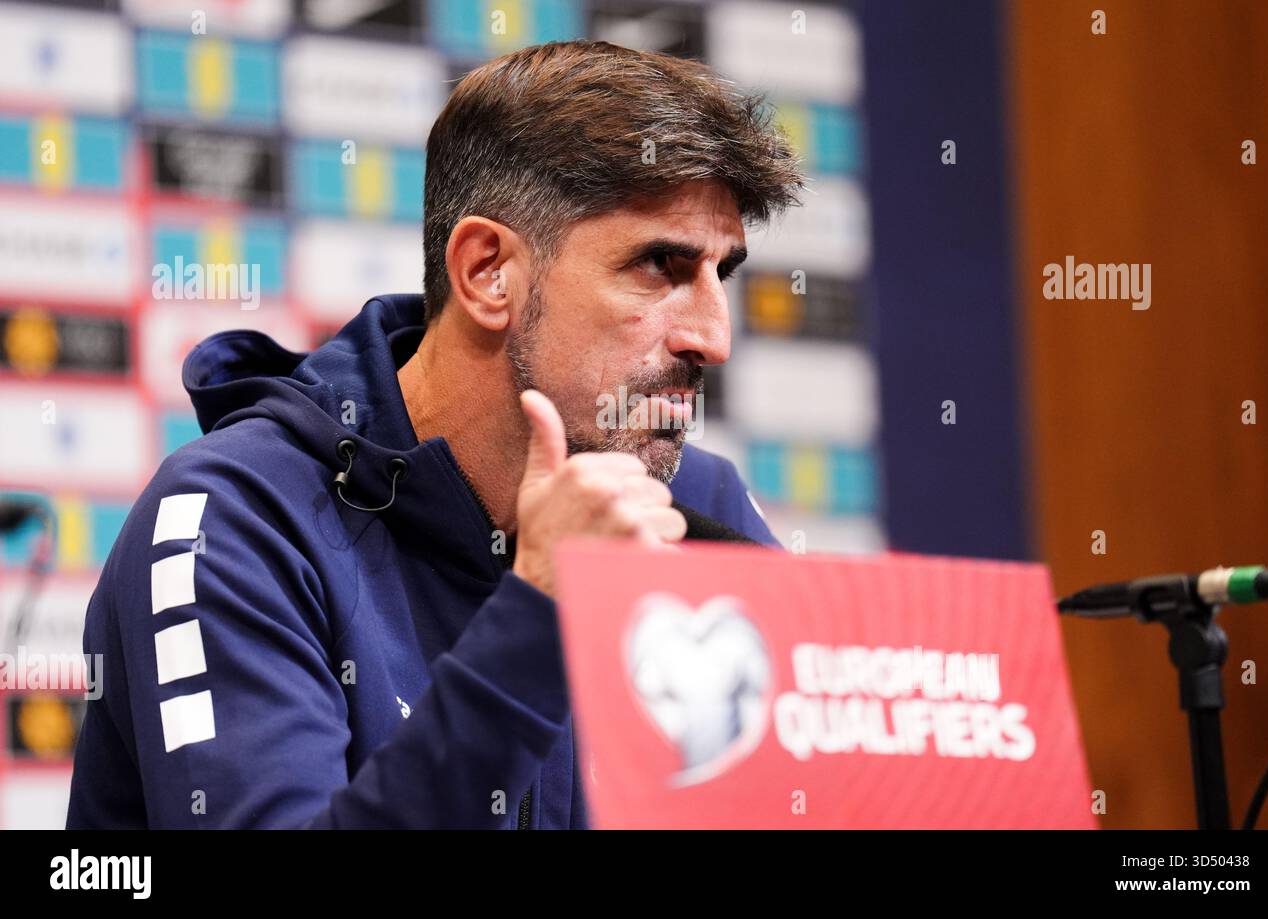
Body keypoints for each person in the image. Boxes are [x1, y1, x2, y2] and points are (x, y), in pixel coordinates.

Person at [66, 40, 804, 829]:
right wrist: (538, 617)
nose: (713, 338)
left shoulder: (701, 506)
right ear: (488, 270)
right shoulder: (235, 521)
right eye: (661, 264)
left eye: (718, 274)